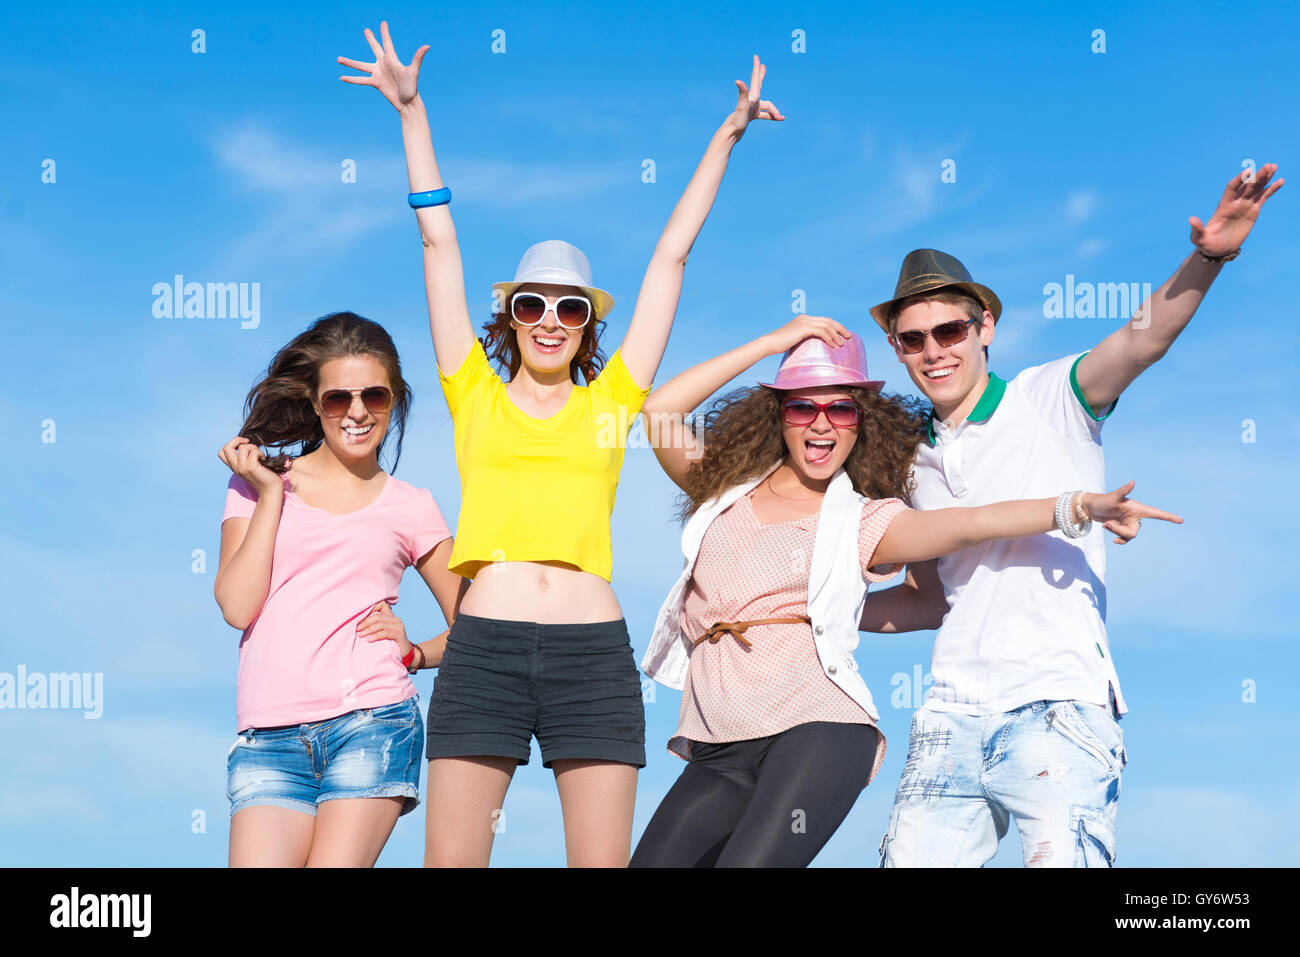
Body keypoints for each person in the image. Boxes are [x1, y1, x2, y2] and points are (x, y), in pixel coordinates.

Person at [338, 21, 784, 866]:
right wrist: (410, 114)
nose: (550, 321)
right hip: (483, 652)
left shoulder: (613, 402)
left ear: (589, 327)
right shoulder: (470, 390)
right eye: (532, 305)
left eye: (570, 308)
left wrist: (726, 139)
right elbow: (438, 241)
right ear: (510, 316)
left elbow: (672, 257)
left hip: (592, 654)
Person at [631, 317, 1180, 867]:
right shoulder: (725, 492)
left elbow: (973, 523)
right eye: (802, 407)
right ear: (778, 416)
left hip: (817, 731)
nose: (821, 424)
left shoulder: (865, 519)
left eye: (840, 409)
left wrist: (1076, 506)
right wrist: (774, 342)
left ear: (859, 423)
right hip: (719, 743)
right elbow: (659, 410)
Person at [862, 164, 1284, 867]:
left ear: (985, 324)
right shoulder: (912, 464)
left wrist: (1209, 257)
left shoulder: (1050, 396)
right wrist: (822, 606)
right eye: (914, 339)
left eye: (951, 329)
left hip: (1057, 706)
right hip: (948, 717)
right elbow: (929, 597)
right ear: (897, 348)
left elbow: (1141, 340)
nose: (934, 350)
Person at [215, 311, 464, 867]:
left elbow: (475, 624)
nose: (356, 413)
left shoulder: (411, 504)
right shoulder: (255, 483)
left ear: (393, 399)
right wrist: (272, 496)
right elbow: (237, 606)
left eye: (373, 396)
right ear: (314, 402)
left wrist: (417, 652)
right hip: (267, 739)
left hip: (372, 723)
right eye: (338, 399)